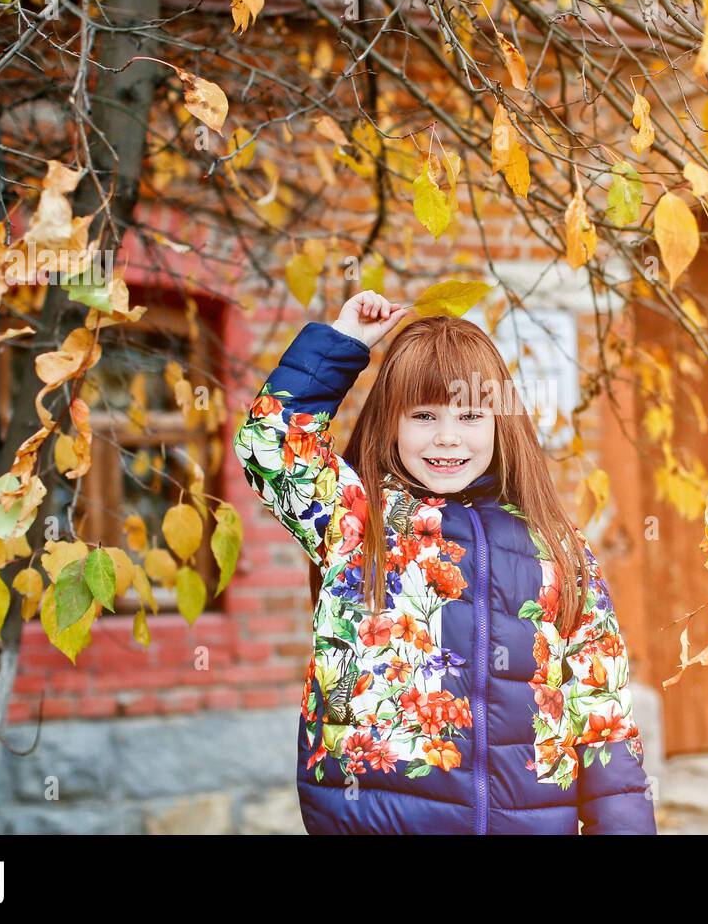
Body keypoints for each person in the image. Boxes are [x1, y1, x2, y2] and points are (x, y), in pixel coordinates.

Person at [232, 289, 657, 835]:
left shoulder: (557, 545)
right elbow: (270, 443)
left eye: (470, 415)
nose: (448, 437)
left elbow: (605, 719)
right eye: (424, 415)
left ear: (500, 422)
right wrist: (345, 343)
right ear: (392, 422)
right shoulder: (357, 521)